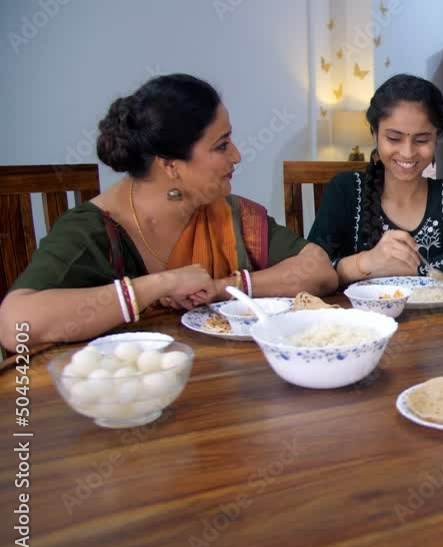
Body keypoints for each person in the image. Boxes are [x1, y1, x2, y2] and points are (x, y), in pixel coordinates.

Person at [0, 74, 338, 349]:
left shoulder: (230, 214)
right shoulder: (95, 229)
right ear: (170, 166)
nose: (237, 155)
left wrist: (224, 286)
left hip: (221, 390)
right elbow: (15, 326)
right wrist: (159, 285)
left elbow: (320, 270)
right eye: (221, 145)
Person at [308, 74, 443, 283]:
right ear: (374, 133)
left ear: (436, 137)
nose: (407, 153)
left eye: (422, 140)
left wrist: (416, 269)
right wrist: (366, 262)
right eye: (394, 138)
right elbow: (311, 270)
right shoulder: (345, 190)